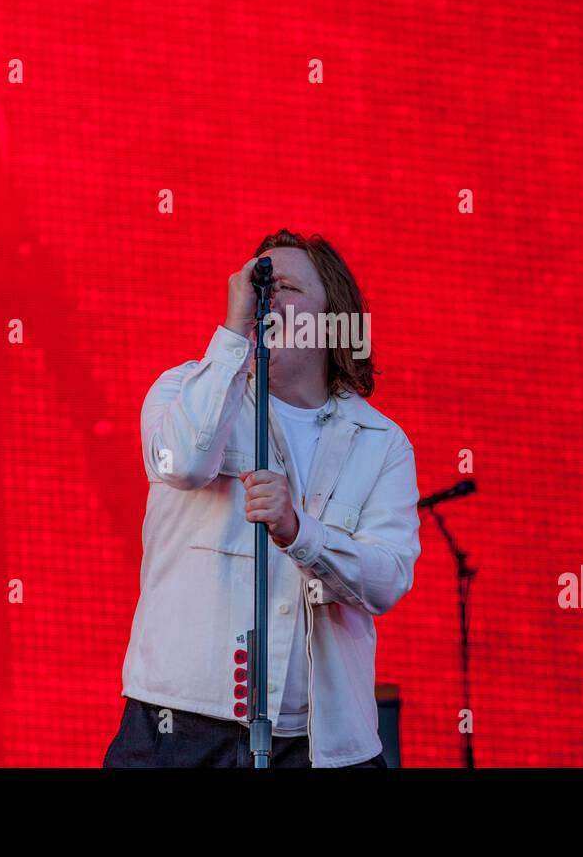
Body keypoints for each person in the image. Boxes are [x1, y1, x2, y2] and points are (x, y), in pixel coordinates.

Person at [104, 229, 421, 767]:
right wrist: (233, 334)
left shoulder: (382, 442)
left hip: (323, 740)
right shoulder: (184, 390)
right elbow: (181, 462)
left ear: (332, 318)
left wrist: (302, 533)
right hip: (179, 728)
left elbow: (387, 579)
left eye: (287, 287)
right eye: (259, 285)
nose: (267, 298)